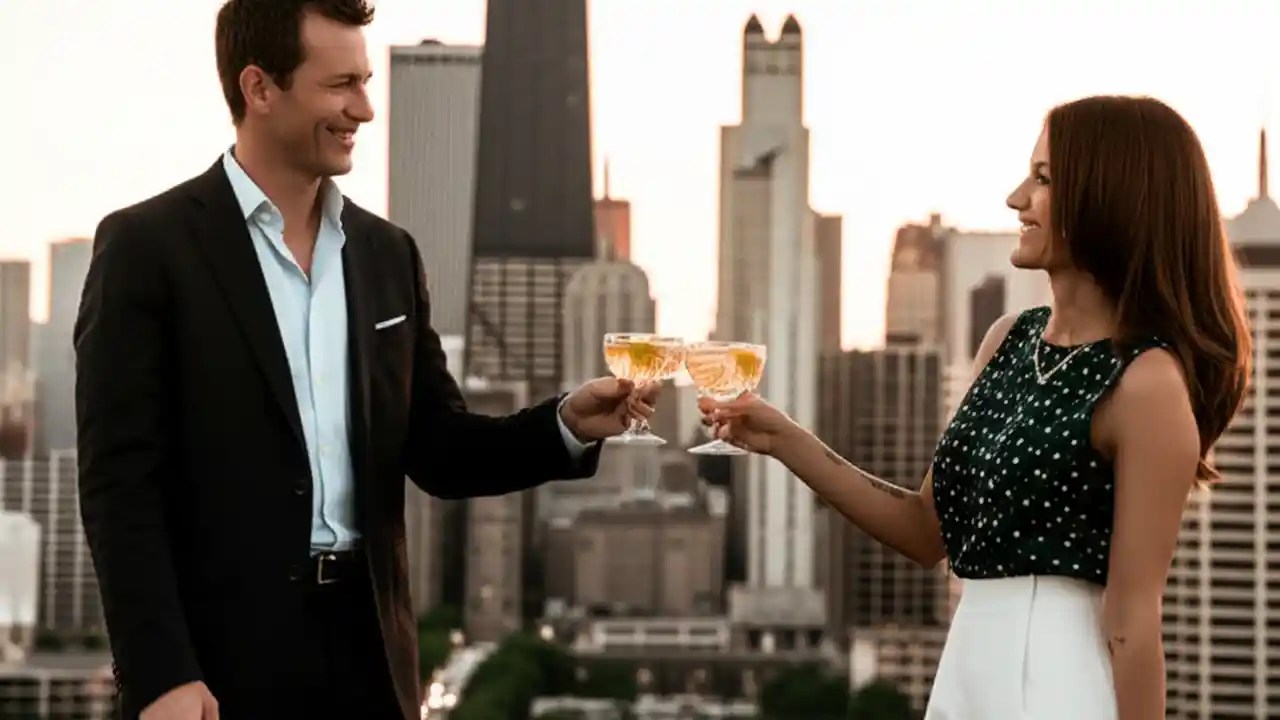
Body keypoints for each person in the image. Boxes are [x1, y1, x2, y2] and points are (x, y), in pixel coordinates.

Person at [74, 1, 656, 718]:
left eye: (367, 81)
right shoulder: (147, 249)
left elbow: (439, 449)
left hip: (373, 661)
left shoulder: (387, 256)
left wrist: (567, 423)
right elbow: (119, 486)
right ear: (259, 88)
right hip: (218, 669)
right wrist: (161, 673)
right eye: (340, 84)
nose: (366, 109)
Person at [701, 95, 1250, 719]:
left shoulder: (1147, 381)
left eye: (1043, 179)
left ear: (1109, 199)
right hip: (965, 671)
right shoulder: (1008, 340)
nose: (1017, 198)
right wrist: (784, 438)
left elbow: (1131, 621)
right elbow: (923, 531)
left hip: (1057, 681)